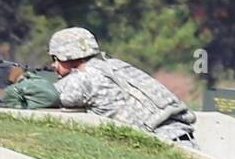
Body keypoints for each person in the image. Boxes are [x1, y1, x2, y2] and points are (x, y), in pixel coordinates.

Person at [48, 27, 196, 145]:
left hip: (159, 144)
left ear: (66, 56)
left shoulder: (82, 79)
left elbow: (44, 96)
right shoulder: (116, 65)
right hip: (185, 138)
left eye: (55, 58)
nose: (53, 65)